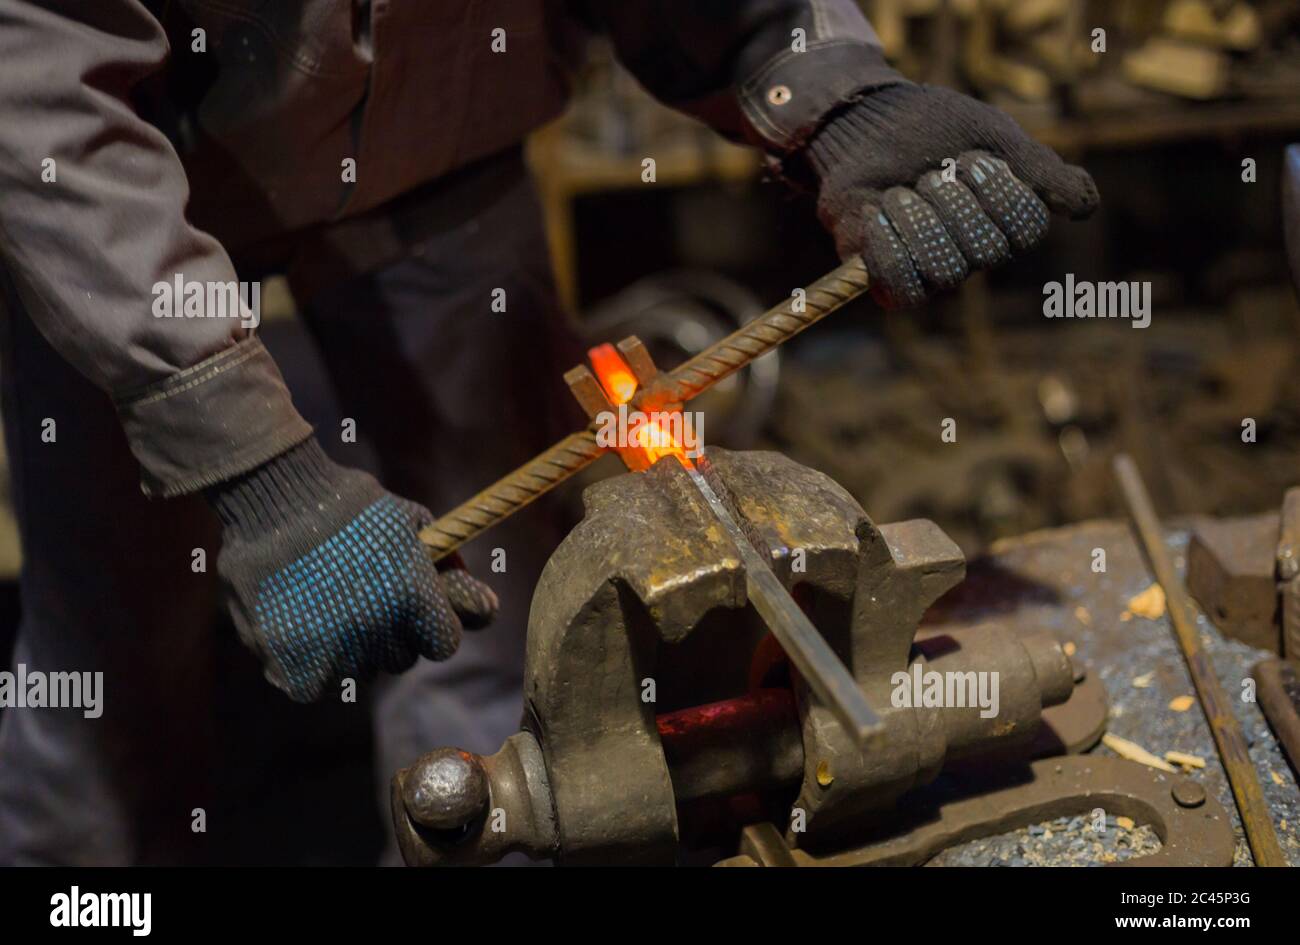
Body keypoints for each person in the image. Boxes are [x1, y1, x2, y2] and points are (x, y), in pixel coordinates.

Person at [0, 0, 1097, 864]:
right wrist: (243, 458)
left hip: (441, 165)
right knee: (107, 666)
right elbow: (31, 80)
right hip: (116, 203)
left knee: (496, 619)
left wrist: (825, 86)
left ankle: (476, 830)